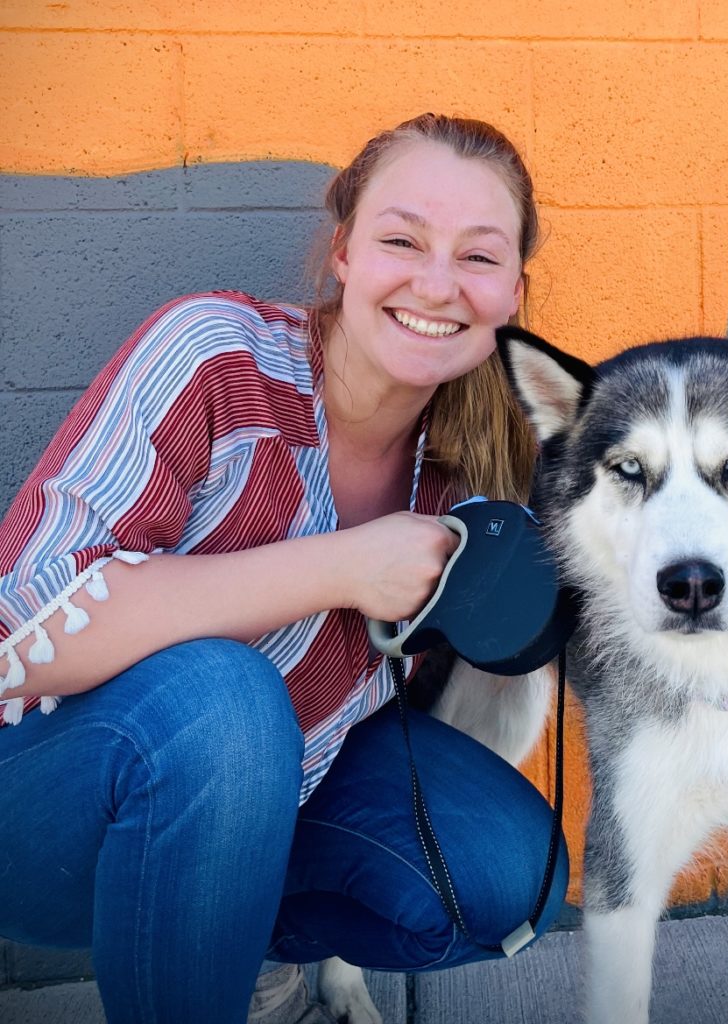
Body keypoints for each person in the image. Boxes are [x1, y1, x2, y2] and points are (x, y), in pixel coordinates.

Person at [0, 113, 569, 1024]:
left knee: (507, 870)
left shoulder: (476, 472)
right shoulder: (213, 357)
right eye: (401, 240)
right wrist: (342, 566)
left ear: (511, 294)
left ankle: (240, 941)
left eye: (477, 257)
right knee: (222, 697)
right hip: (46, 808)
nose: (436, 283)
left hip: (279, 800)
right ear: (343, 252)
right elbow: (16, 643)